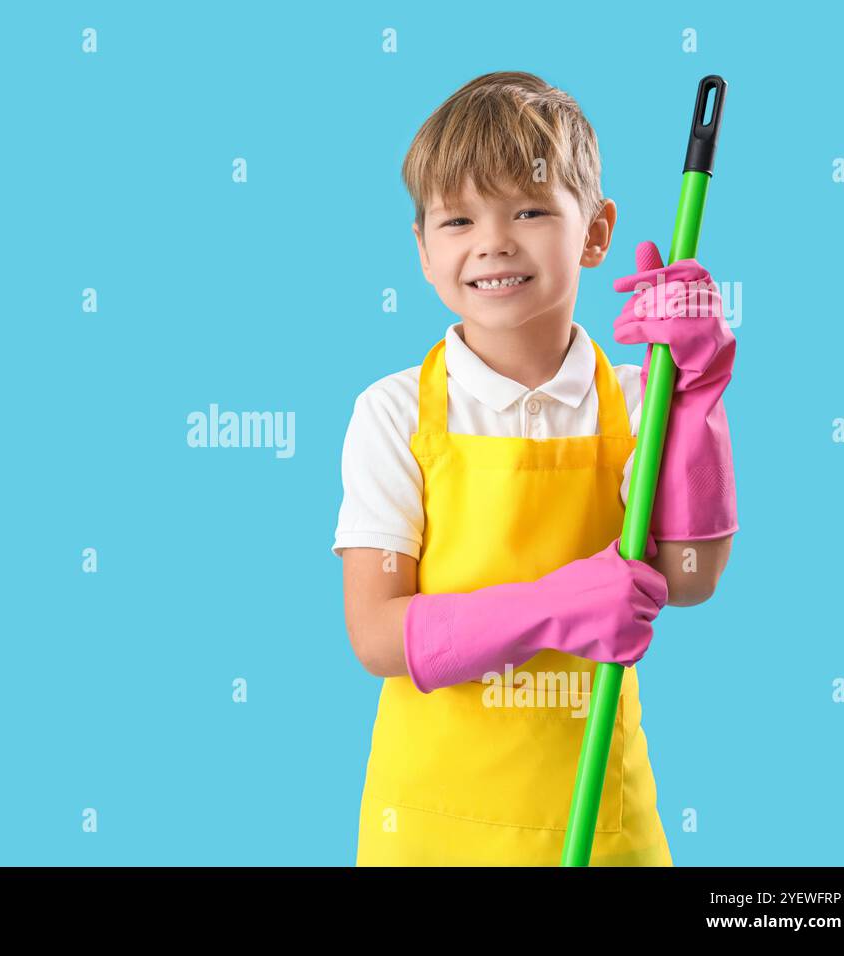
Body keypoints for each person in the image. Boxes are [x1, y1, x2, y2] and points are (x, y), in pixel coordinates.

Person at [333, 71, 739, 866]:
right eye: (457, 219)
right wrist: (551, 608)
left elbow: (689, 576)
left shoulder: (639, 403)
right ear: (421, 249)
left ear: (595, 231)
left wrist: (699, 400)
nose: (492, 242)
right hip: (431, 828)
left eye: (529, 209)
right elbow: (378, 635)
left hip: (600, 822)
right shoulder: (395, 414)